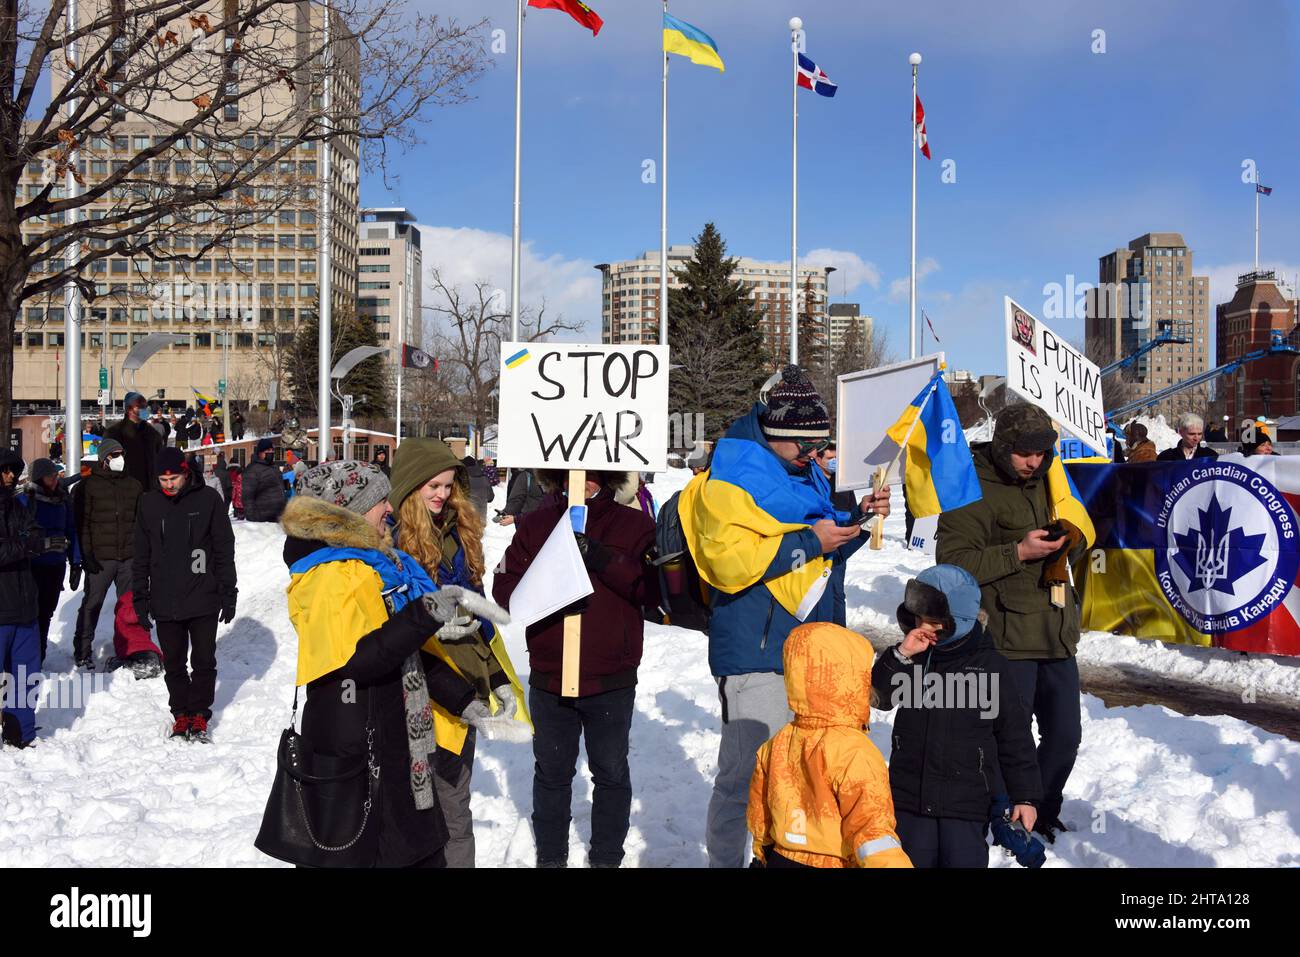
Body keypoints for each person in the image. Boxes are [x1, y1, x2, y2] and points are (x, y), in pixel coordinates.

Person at [678, 365, 890, 868]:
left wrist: (855, 523)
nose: (816, 455)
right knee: (745, 777)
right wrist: (813, 541)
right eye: (807, 445)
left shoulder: (800, 471)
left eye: (821, 445)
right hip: (758, 653)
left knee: (800, 778)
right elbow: (728, 564)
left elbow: (815, 556)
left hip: (810, 652)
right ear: (776, 433)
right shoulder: (728, 480)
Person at [279, 460, 516, 867]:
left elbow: (405, 652)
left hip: (391, 741)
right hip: (355, 753)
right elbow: (360, 660)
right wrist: (426, 611)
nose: (389, 508)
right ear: (351, 509)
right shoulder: (328, 575)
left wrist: (464, 702)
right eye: (380, 501)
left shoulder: (374, 564)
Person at [936, 404, 1087, 844]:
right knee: (1009, 740)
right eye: (1024, 453)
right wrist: (1018, 552)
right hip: (1005, 638)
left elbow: (1077, 537)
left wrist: (1071, 539)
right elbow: (952, 564)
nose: (1034, 462)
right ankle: (1007, 816)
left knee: (1065, 737)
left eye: (1042, 453)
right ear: (1003, 447)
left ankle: (1041, 809)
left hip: (1056, 632)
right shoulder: (972, 486)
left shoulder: (1052, 481)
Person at [493, 469, 660, 868]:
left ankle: (606, 858)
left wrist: (601, 557)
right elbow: (505, 590)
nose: (581, 482)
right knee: (551, 773)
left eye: (592, 475)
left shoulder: (634, 525)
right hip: (551, 676)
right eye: (570, 473)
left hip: (610, 678)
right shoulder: (536, 524)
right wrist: (550, 573)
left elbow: (650, 590)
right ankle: (551, 858)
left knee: (611, 772)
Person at [389, 439, 529, 867]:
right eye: (433, 485)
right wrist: (425, 624)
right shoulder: (388, 540)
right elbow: (379, 624)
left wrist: (497, 677)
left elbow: (479, 616)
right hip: (410, 693)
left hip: (462, 692)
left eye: (449, 486)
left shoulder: (458, 532)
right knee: (406, 816)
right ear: (409, 484)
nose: (442, 495)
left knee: (454, 809)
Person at [871, 565, 1042, 867]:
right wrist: (901, 654)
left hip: (966, 804)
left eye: (933, 620)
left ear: (958, 618)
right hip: (910, 800)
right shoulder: (912, 657)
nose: (923, 626)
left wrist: (1025, 796)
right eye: (918, 617)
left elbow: (1014, 735)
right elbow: (879, 697)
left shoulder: (990, 666)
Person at [747, 621, 911, 868]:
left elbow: (760, 812)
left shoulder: (779, 741)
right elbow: (872, 832)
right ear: (851, 679)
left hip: (781, 857)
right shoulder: (854, 751)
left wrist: (764, 852)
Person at [133, 449, 237, 742]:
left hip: (203, 594)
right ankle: (181, 713)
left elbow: (223, 549)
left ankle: (199, 713)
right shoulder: (148, 503)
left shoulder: (208, 500)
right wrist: (140, 597)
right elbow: (140, 554)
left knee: (204, 660)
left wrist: (228, 591)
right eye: (163, 479)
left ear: (186, 473)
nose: (169, 484)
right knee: (174, 662)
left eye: (174, 478)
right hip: (165, 598)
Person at [1, 450, 61, 748]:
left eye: (13, 470)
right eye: (4, 470)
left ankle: (20, 733)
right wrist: (25, 544)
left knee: (26, 675)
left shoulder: (18, 505)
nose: (11, 476)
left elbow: (37, 536)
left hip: (25, 606)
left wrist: (24, 544)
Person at [73, 439, 148, 672]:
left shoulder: (134, 485)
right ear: (104, 459)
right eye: (114, 455)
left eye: (121, 453)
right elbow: (82, 524)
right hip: (100, 558)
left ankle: (132, 649)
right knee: (92, 604)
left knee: (130, 607)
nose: (119, 458)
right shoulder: (88, 486)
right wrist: (86, 555)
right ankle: (82, 651)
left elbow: (140, 522)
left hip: (128, 556)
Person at [17, 458, 80, 665]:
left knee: (46, 612)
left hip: (56, 566)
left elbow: (71, 529)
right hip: (33, 566)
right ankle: (29, 656)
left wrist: (75, 562)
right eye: (49, 477)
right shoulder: (26, 501)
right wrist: (42, 544)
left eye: (55, 476)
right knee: (31, 613)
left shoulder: (62, 499)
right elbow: (19, 536)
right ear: (39, 479)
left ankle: (40, 655)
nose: (54, 480)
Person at [814, 441, 859, 626]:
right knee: (819, 593)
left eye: (836, 458)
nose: (834, 462)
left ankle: (840, 631)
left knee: (837, 593)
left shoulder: (842, 484)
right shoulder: (811, 482)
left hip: (840, 546)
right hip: (819, 547)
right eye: (830, 458)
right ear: (818, 459)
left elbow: (853, 510)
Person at [104, 391, 163, 489]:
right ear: (128, 409)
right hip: (124, 489)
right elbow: (106, 466)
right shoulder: (114, 433)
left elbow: (159, 458)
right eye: (139, 406)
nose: (144, 410)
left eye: (145, 406)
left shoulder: (152, 433)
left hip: (149, 488)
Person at [241, 438, 285, 523]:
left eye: (272, 450)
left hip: (279, 516)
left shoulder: (274, 468)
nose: (270, 453)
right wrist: (252, 517)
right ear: (260, 452)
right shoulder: (252, 469)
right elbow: (247, 496)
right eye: (267, 450)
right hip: (263, 519)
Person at [460, 455, 491, 520]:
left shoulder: (463, 479)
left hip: (467, 518)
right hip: (481, 518)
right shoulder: (484, 478)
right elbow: (491, 497)